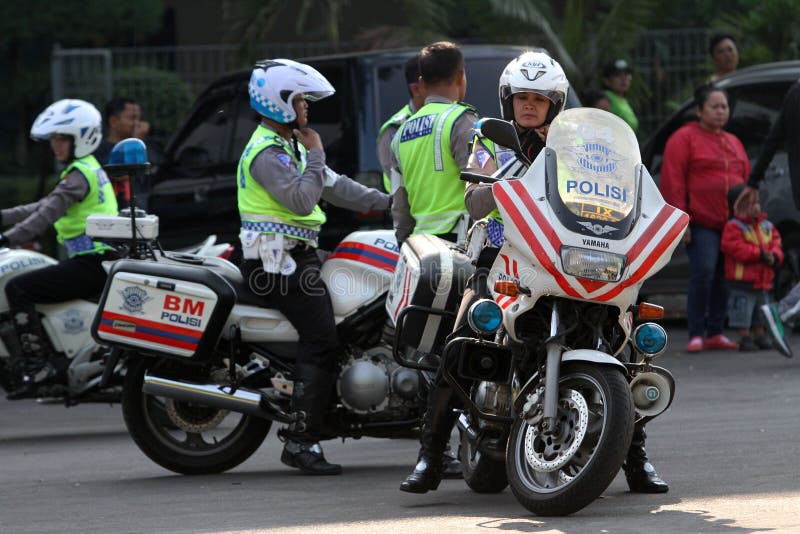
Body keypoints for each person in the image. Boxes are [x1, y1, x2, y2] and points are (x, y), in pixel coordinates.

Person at [238, 59, 390, 475]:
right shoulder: (267, 153)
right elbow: (303, 199)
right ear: (282, 102)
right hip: (274, 263)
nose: (307, 107)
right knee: (321, 337)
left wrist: (391, 203)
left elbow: (335, 187)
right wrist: (318, 154)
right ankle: (301, 440)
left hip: (296, 255)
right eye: (302, 100)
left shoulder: (289, 145)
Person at [0, 99, 118, 399]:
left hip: (94, 262)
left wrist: (6, 239)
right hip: (96, 260)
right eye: (53, 139)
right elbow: (39, 207)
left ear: (80, 138)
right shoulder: (83, 170)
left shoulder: (79, 175)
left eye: (61, 138)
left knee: (19, 289)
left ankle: (39, 369)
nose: (55, 145)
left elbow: (46, 215)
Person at [659, 85, 750, 353]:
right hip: (701, 223)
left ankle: (716, 331)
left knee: (724, 276)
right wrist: (681, 219)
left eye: (724, 107)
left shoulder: (733, 141)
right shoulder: (683, 139)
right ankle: (696, 332)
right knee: (704, 271)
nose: (721, 112)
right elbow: (673, 180)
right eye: (715, 106)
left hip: (732, 223)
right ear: (700, 110)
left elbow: (745, 179)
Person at [390, 41, 478, 247]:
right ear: (460, 76)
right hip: (461, 244)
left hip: (420, 247)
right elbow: (479, 187)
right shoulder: (461, 121)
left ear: (421, 83)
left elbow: (399, 203)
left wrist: (405, 245)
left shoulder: (401, 132)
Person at [721, 184, 783, 351]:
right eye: (749, 203)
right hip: (743, 280)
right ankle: (744, 335)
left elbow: (776, 243)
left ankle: (760, 334)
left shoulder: (767, 226)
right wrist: (760, 254)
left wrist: (775, 256)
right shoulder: (734, 226)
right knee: (743, 310)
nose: (755, 207)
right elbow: (734, 247)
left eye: (757, 202)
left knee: (761, 310)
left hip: (763, 279)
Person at [376, 54, 424, 192]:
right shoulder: (395, 128)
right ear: (416, 89)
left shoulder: (453, 118)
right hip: (408, 208)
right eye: (435, 84)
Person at [93, 97, 143, 209]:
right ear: (113, 121)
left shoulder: (143, 147)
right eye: (132, 118)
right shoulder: (99, 150)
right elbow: (122, 174)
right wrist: (135, 143)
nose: (137, 124)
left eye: (139, 118)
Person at [602, 58, 638, 133]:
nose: (624, 79)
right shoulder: (604, 100)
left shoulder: (625, 101)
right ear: (607, 81)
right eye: (617, 75)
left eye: (626, 74)